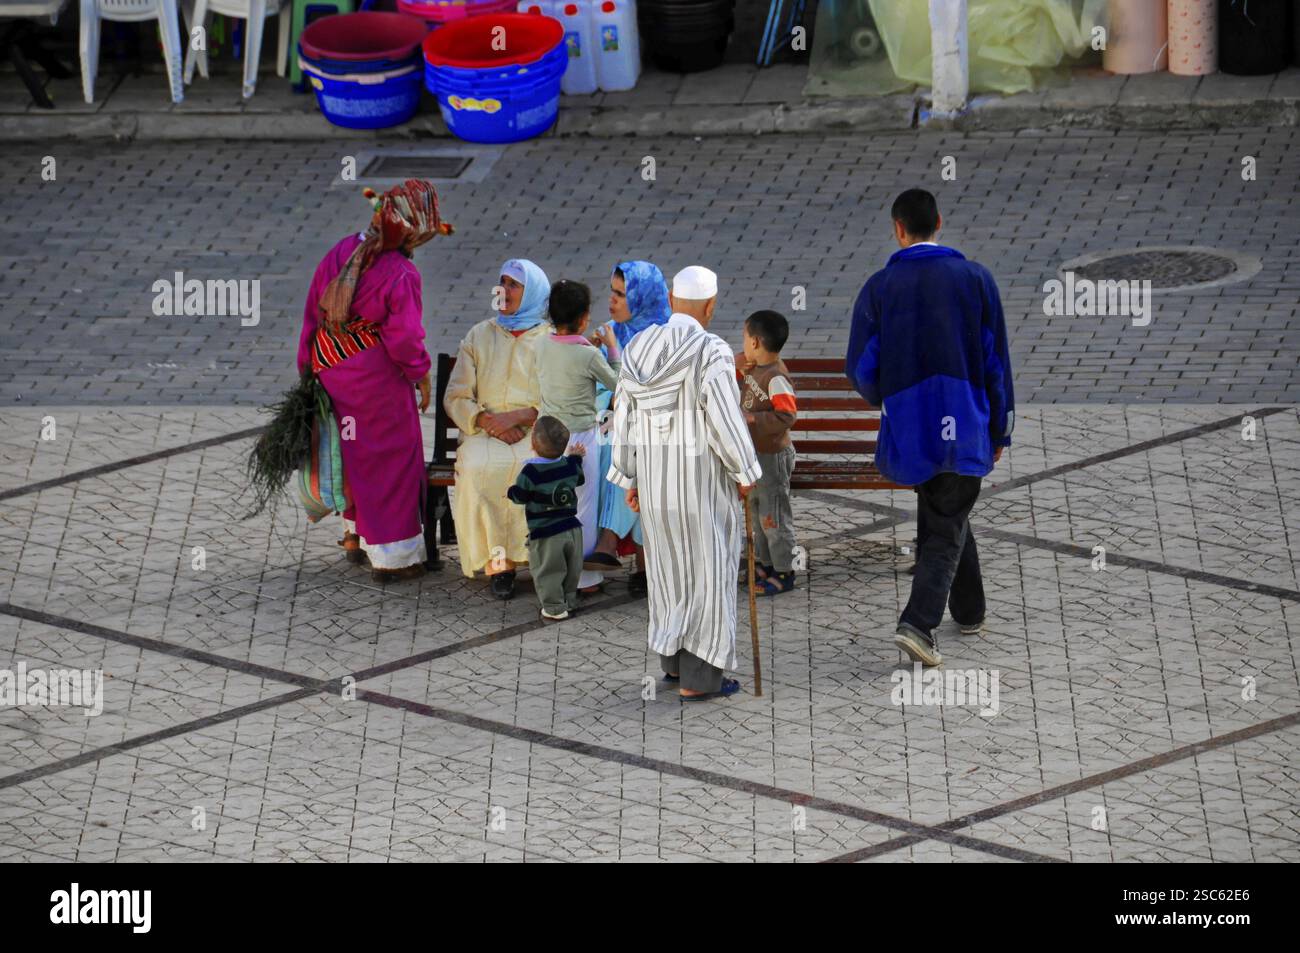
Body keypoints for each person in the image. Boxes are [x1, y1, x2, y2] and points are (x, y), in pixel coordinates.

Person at [846, 188, 1014, 667]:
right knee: (946, 515)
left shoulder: (879, 288)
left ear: (898, 229)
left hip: (912, 427)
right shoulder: (976, 279)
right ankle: (919, 625)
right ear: (939, 222)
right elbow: (996, 362)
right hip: (965, 421)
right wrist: (1000, 429)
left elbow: (861, 368)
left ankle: (970, 609)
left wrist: (890, 399)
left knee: (945, 506)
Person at [608, 265, 762, 700]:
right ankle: (701, 681)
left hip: (656, 486)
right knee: (708, 576)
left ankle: (673, 665)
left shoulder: (637, 346)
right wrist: (745, 472)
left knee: (668, 573)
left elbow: (624, 419)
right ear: (710, 306)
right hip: (701, 487)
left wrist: (629, 475)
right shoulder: (710, 350)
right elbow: (725, 420)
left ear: (673, 300)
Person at [296, 180, 452, 582]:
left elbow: (314, 312)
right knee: (390, 461)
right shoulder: (401, 273)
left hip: (331, 371)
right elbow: (403, 339)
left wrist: (308, 368)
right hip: (375, 382)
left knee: (350, 454)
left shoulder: (341, 251)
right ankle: (392, 557)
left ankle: (353, 534)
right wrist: (420, 375)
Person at [443, 259, 551, 600]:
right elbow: (456, 394)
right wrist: (488, 421)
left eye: (514, 284)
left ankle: (535, 557)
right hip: (483, 430)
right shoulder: (480, 334)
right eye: (501, 282)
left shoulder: (550, 340)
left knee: (532, 468)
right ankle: (498, 563)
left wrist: (521, 417)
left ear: (532, 291)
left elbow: (563, 397)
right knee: (477, 469)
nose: (504, 290)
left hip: (533, 431)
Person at [584, 261, 672, 596]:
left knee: (633, 451)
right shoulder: (607, 333)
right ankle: (644, 561)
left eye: (621, 294)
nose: (612, 300)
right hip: (614, 427)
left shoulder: (668, 338)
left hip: (662, 428)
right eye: (612, 292)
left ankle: (609, 539)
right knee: (616, 450)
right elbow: (594, 390)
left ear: (641, 297)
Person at [535, 279, 621, 594]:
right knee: (582, 507)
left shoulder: (541, 343)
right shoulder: (589, 355)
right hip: (580, 439)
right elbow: (617, 384)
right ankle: (583, 579)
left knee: (552, 507)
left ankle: (552, 575)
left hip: (546, 437)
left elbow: (565, 357)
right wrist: (611, 347)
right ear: (584, 318)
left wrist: (588, 347)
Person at [735, 309, 799, 596]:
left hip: (772, 458)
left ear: (757, 342)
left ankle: (784, 570)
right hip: (755, 457)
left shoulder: (775, 377)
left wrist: (753, 420)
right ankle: (763, 563)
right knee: (757, 512)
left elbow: (787, 415)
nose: (744, 344)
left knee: (773, 515)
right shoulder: (755, 369)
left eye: (746, 339)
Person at [506, 417, 587, 621]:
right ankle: (569, 601)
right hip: (572, 529)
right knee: (571, 569)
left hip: (546, 532)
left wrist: (511, 491)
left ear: (532, 444)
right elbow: (579, 478)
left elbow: (521, 496)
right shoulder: (569, 465)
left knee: (548, 571)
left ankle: (554, 608)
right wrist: (576, 458)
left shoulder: (530, 472)